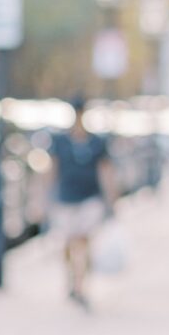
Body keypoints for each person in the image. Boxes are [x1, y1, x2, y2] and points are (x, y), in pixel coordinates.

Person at [46, 95, 116, 310]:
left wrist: (111, 200)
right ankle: (72, 279)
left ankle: (80, 285)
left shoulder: (96, 142)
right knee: (69, 243)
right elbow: (52, 169)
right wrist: (44, 198)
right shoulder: (60, 142)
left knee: (83, 241)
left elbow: (105, 171)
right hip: (66, 199)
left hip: (90, 198)